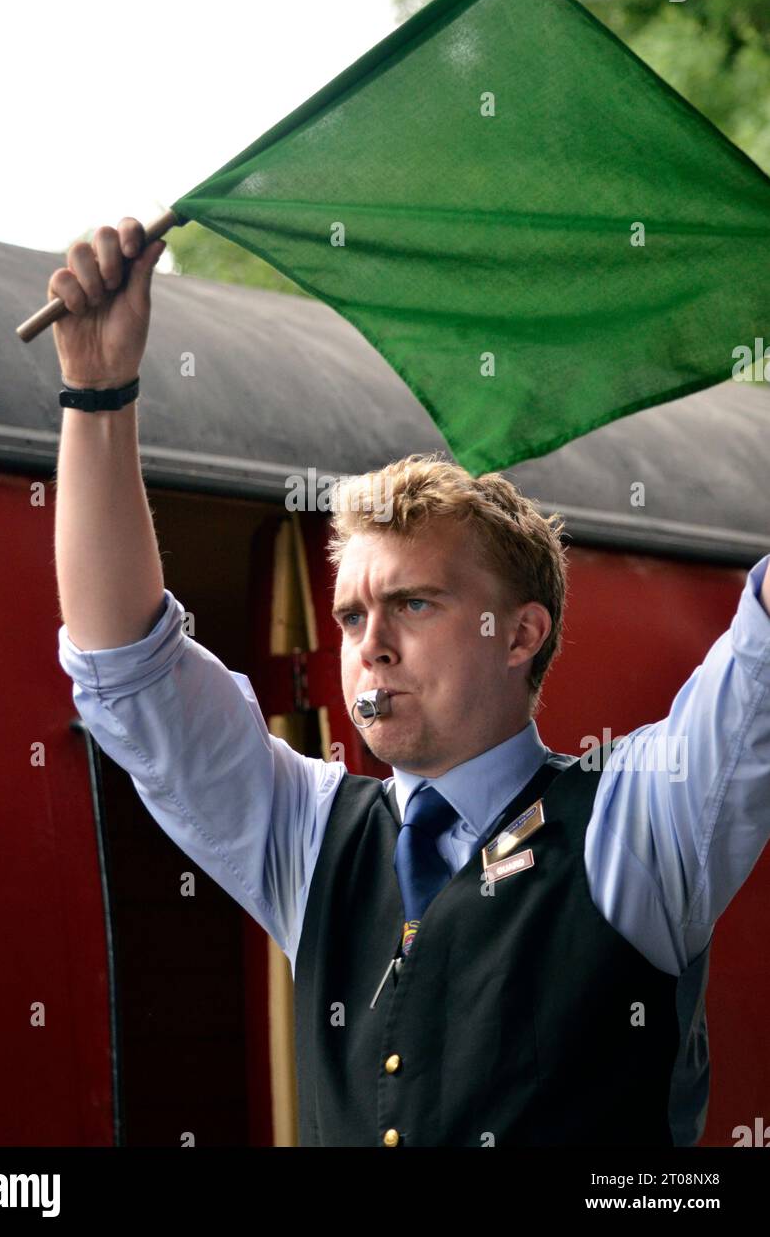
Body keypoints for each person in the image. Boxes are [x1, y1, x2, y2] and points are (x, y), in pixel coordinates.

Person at [52, 217, 770, 1148]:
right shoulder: (312, 833)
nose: (369, 647)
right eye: (351, 616)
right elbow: (127, 671)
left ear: (520, 634)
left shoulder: (639, 817)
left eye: (414, 605)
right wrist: (97, 391)